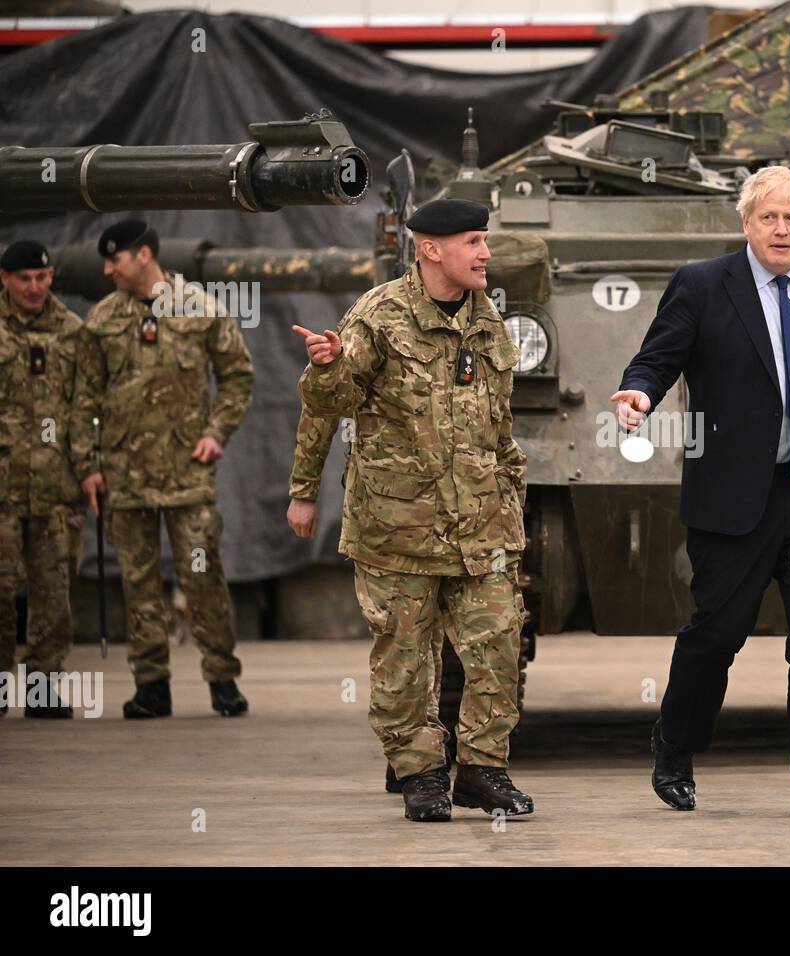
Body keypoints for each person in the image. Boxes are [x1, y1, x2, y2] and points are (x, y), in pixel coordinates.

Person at [612, 166, 790, 819]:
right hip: (735, 498)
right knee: (716, 635)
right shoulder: (702, 284)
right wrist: (639, 391)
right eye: (769, 217)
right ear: (746, 223)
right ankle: (676, 748)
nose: (781, 229)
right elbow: (658, 357)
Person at [294, 197, 531, 823]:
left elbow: (499, 425)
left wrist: (511, 502)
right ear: (431, 249)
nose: (486, 253)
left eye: (485, 240)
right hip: (396, 527)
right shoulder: (380, 315)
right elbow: (329, 403)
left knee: (499, 644)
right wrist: (303, 485)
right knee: (404, 658)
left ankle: (483, 769)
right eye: (475, 242)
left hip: (481, 525)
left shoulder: (489, 321)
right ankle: (421, 772)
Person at [72, 219, 253, 719]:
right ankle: (151, 684)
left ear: (145, 254)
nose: (107, 270)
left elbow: (238, 374)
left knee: (202, 574)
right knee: (138, 579)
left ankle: (222, 679)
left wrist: (216, 433)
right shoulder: (101, 321)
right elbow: (82, 399)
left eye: (117, 260)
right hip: (124, 475)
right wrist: (89, 464)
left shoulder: (199, 308)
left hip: (186, 474)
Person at [285, 409, 448, 794]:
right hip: (386, 515)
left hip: (449, 513)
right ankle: (411, 757)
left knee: (432, 638)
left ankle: (415, 750)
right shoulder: (364, 345)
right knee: (401, 638)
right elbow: (321, 404)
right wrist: (303, 492)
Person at [0, 240, 85, 718]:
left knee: (52, 591)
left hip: (57, 488)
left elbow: (88, 405)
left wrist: (90, 469)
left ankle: (43, 687)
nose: (34, 288)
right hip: (3, 487)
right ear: (4, 279)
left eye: (41, 277)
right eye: (23, 278)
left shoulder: (73, 333)